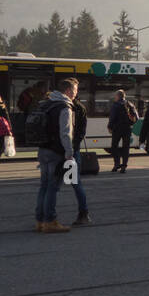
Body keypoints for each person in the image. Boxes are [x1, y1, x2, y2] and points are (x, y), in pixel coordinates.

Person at [34, 78, 77, 234]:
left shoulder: (45, 103)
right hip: (55, 152)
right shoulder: (64, 107)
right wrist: (69, 153)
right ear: (68, 91)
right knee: (53, 187)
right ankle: (50, 221)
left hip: (43, 149)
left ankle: (39, 220)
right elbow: (65, 133)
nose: (75, 94)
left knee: (44, 186)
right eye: (75, 91)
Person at [68, 94, 92, 225]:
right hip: (72, 150)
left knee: (51, 185)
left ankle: (46, 217)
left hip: (59, 151)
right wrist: (75, 145)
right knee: (75, 182)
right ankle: (84, 213)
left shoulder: (61, 106)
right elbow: (82, 131)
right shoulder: (80, 108)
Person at [107, 89, 137, 172]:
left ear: (118, 96)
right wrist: (131, 124)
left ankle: (116, 164)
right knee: (126, 147)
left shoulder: (115, 105)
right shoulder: (130, 104)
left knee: (114, 146)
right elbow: (136, 117)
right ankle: (124, 166)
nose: (115, 98)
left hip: (117, 129)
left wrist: (110, 126)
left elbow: (112, 117)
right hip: (127, 129)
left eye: (115, 96)